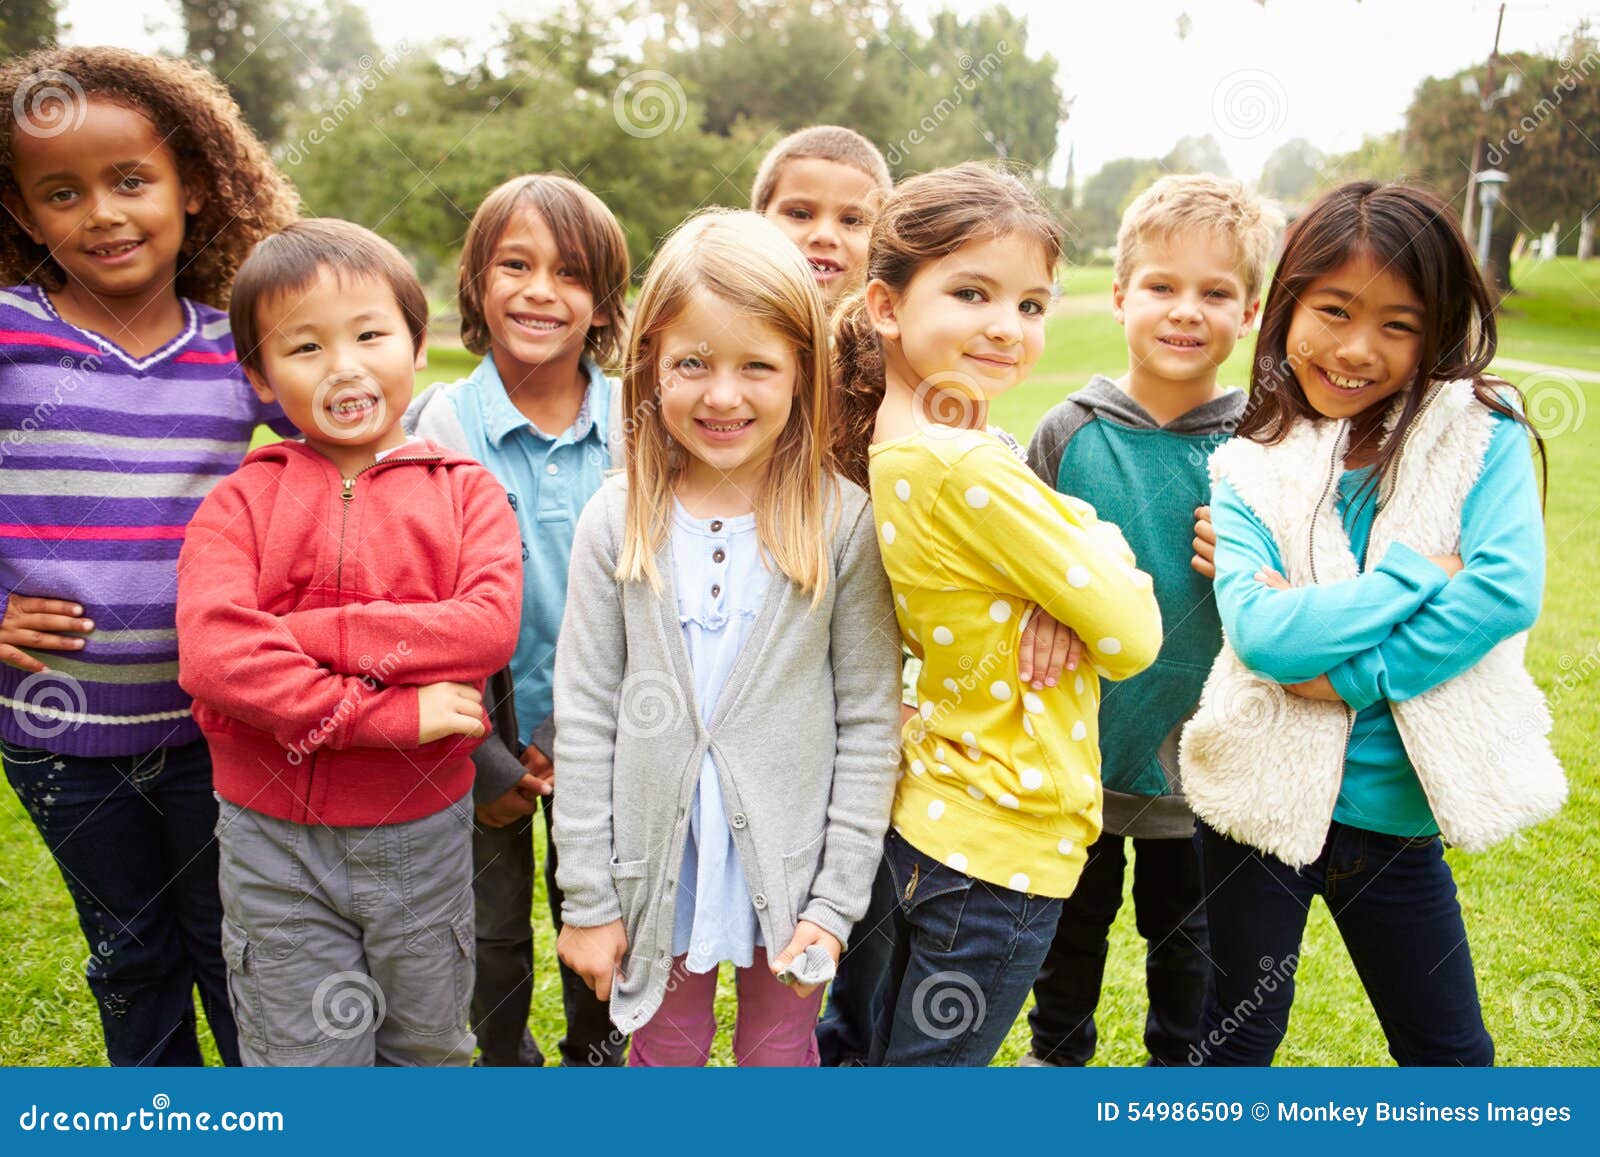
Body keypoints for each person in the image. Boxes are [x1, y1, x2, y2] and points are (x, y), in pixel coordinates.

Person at [1181, 180, 1564, 1066]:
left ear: (1437, 330)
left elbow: (1503, 591)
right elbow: (1267, 637)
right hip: (1257, 801)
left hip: (1392, 815)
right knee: (1233, 1046)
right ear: (1287, 308)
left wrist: (1350, 673)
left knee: (1451, 1055)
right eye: (1336, 310)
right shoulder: (1247, 463)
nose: (1358, 349)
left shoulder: (1477, 433)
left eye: (1398, 323)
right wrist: (1417, 574)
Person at [0, 45, 297, 1066]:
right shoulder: (11, 337)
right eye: (62, 192)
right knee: (130, 953)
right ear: (27, 213)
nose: (103, 213)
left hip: (215, 727)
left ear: (198, 189)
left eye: (132, 180)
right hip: (55, 734)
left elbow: (340, 459)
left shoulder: (236, 350)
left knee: (234, 944)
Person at [552, 210, 902, 1066]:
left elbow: (868, 723)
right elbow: (587, 716)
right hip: (658, 873)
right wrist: (590, 900)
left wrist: (834, 899)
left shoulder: (843, 522)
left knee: (779, 1055)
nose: (722, 395)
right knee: (663, 1054)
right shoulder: (616, 519)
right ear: (650, 370)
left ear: (803, 375)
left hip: (787, 877)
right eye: (692, 364)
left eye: (757, 366)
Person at [834, 162, 1164, 1065]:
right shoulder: (963, 465)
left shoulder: (905, 448)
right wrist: (1086, 557)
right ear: (886, 305)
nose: (1006, 326)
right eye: (972, 291)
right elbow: (1134, 634)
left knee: (864, 1053)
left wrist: (1062, 570)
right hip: (1001, 837)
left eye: (1030, 304)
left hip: (927, 810)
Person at [176, 219, 522, 1065]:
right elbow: (217, 656)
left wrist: (295, 634)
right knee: (301, 1054)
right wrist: (384, 714)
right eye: (305, 347)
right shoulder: (241, 503)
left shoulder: (467, 493)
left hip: (422, 832)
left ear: (416, 339)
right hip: (271, 838)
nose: (345, 366)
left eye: (370, 334)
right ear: (259, 375)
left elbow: (484, 627)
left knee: (429, 1045)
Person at [1021, 175, 1282, 1066]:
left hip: (1200, 767)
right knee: (1065, 938)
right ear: (1121, 294)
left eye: (1216, 293)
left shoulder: (1260, 446)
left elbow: (1297, 592)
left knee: (1190, 952)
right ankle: (1057, 1061)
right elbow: (1018, 567)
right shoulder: (1067, 430)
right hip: (1076, 758)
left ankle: (1176, 1081)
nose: (1186, 311)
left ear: (1248, 313)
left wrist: (1257, 561)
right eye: (1163, 286)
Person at [406, 172, 631, 1067]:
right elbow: (421, 604)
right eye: (516, 264)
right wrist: (487, 756)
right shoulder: (442, 423)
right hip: (476, 741)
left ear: (603, 299)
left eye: (571, 272)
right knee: (487, 934)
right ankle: (503, 1071)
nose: (541, 290)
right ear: (476, 284)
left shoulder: (636, 422)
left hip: (608, 732)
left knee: (606, 918)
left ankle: (598, 1061)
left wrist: (565, 730)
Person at [752, 124, 892, 310]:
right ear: (756, 222)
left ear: (882, 240)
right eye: (800, 214)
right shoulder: (712, 325)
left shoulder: (904, 335)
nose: (825, 236)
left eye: (851, 221)